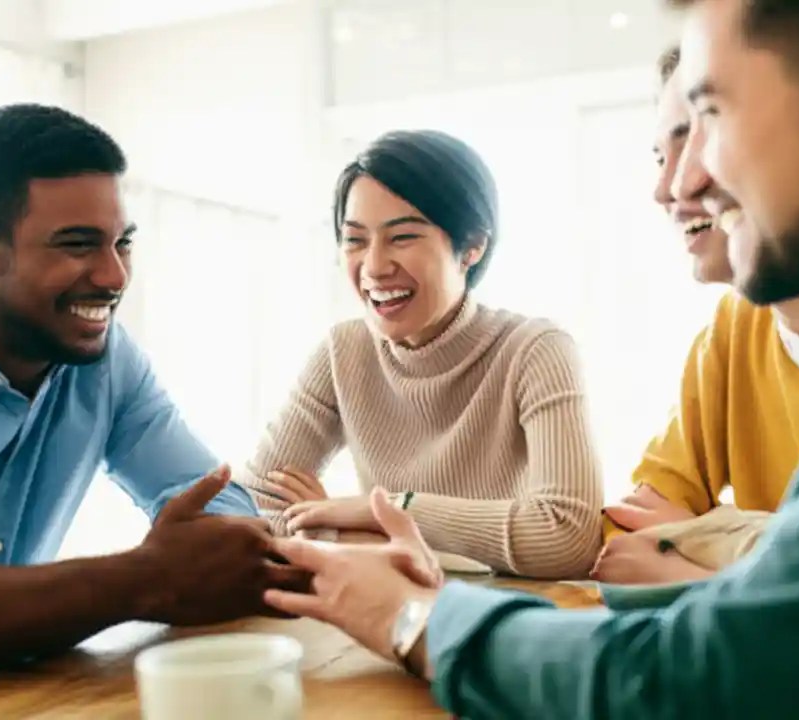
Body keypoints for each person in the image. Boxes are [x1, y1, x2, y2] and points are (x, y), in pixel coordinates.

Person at [261, 0, 799, 717]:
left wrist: (414, 622)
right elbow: (796, 636)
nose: (683, 181)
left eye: (710, 115)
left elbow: (721, 681)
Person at [0, 104, 304, 682]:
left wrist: (208, 551)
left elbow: (214, 507)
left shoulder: (105, 361)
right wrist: (144, 578)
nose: (114, 276)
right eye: (77, 244)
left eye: (123, 244)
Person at [233, 129, 604, 579]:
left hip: (511, 621)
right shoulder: (342, 353)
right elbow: (245, 510)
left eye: (402, 236)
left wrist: (388, 512)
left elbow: (567, 537)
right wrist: (338, 535)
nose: (373, 266)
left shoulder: (536, 351)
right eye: (354, 240)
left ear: (472, 246)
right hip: (389, 611)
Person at [593, 47, 799, 585]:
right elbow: (630, 524)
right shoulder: (735, 328)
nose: (670, 188)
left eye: (699, 135)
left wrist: (709, 560)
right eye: (661, 156)